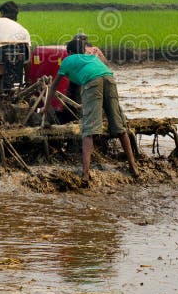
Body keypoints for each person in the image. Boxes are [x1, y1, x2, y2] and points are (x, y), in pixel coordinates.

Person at [42, 35, 139, 185]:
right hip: (109, 78)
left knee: (89, 129)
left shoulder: (68, 60)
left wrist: (46, 107)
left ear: (69, 52)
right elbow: (105, 65)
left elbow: (54, 86)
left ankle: (85, 175)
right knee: (120, 127)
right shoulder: (91, 57)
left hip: (91, 82)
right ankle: (133, 167)